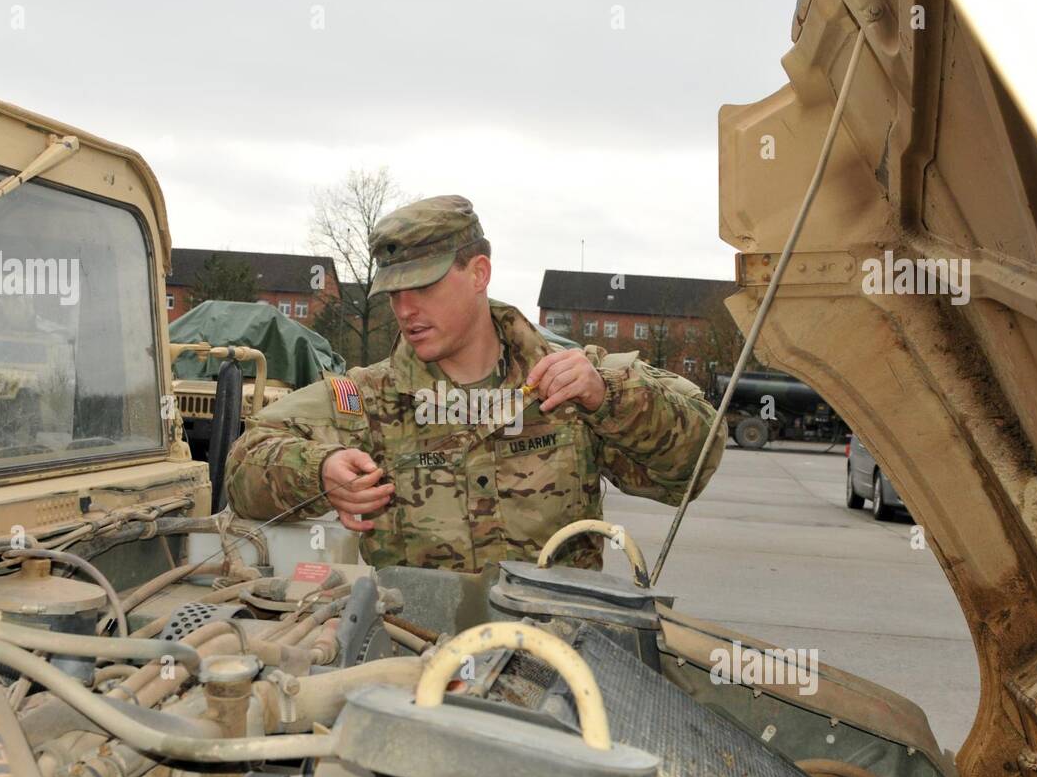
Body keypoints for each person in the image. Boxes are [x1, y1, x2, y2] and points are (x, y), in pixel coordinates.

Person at [225, 194, 725, 572]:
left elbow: (695, 464)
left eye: (423, 286)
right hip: (419, 668)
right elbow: (242, 469)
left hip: (558, 659)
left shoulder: (573, 382)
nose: (405, 310)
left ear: (479, 272)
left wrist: (609, 400)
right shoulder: (368, 400)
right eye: (394, 294)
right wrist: (320, 469)